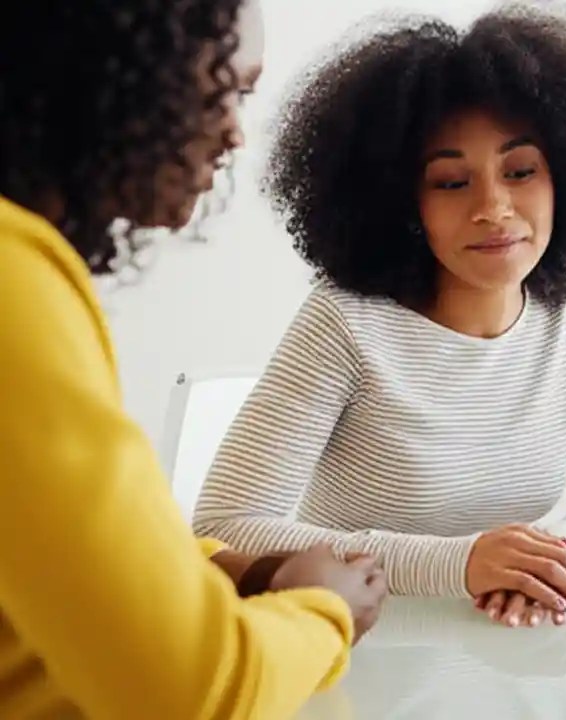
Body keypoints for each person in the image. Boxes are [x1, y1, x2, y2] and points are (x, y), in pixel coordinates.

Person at [192, 6, 566, 629]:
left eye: (521, 171)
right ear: (402, 200)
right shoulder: (346, 323)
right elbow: (225, 525)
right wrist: (461, 563)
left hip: (511, 646)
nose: (494, 208)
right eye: (451, 182)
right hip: (363, 646)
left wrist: (556, 558)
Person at [0, 2, 388, 717]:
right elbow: (190, 689)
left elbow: (50, 559)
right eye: (225, 89)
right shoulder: (13, 287)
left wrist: (219, 570)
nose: (236, 133)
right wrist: (324, 612)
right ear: (122, 75)